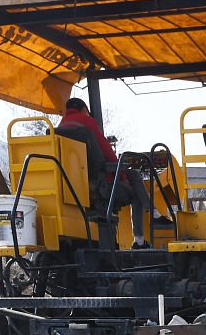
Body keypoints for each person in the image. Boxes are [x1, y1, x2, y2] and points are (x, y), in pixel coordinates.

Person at [57, 97, 153, 247]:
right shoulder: (88, 123)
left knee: (133, 175)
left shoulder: (61, 126)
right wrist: (121, 176)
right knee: (136, 192)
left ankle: (152, 213)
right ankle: (140, 238)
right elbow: (108, 152)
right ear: (84, 110)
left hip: (73, 185)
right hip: (101, 183)